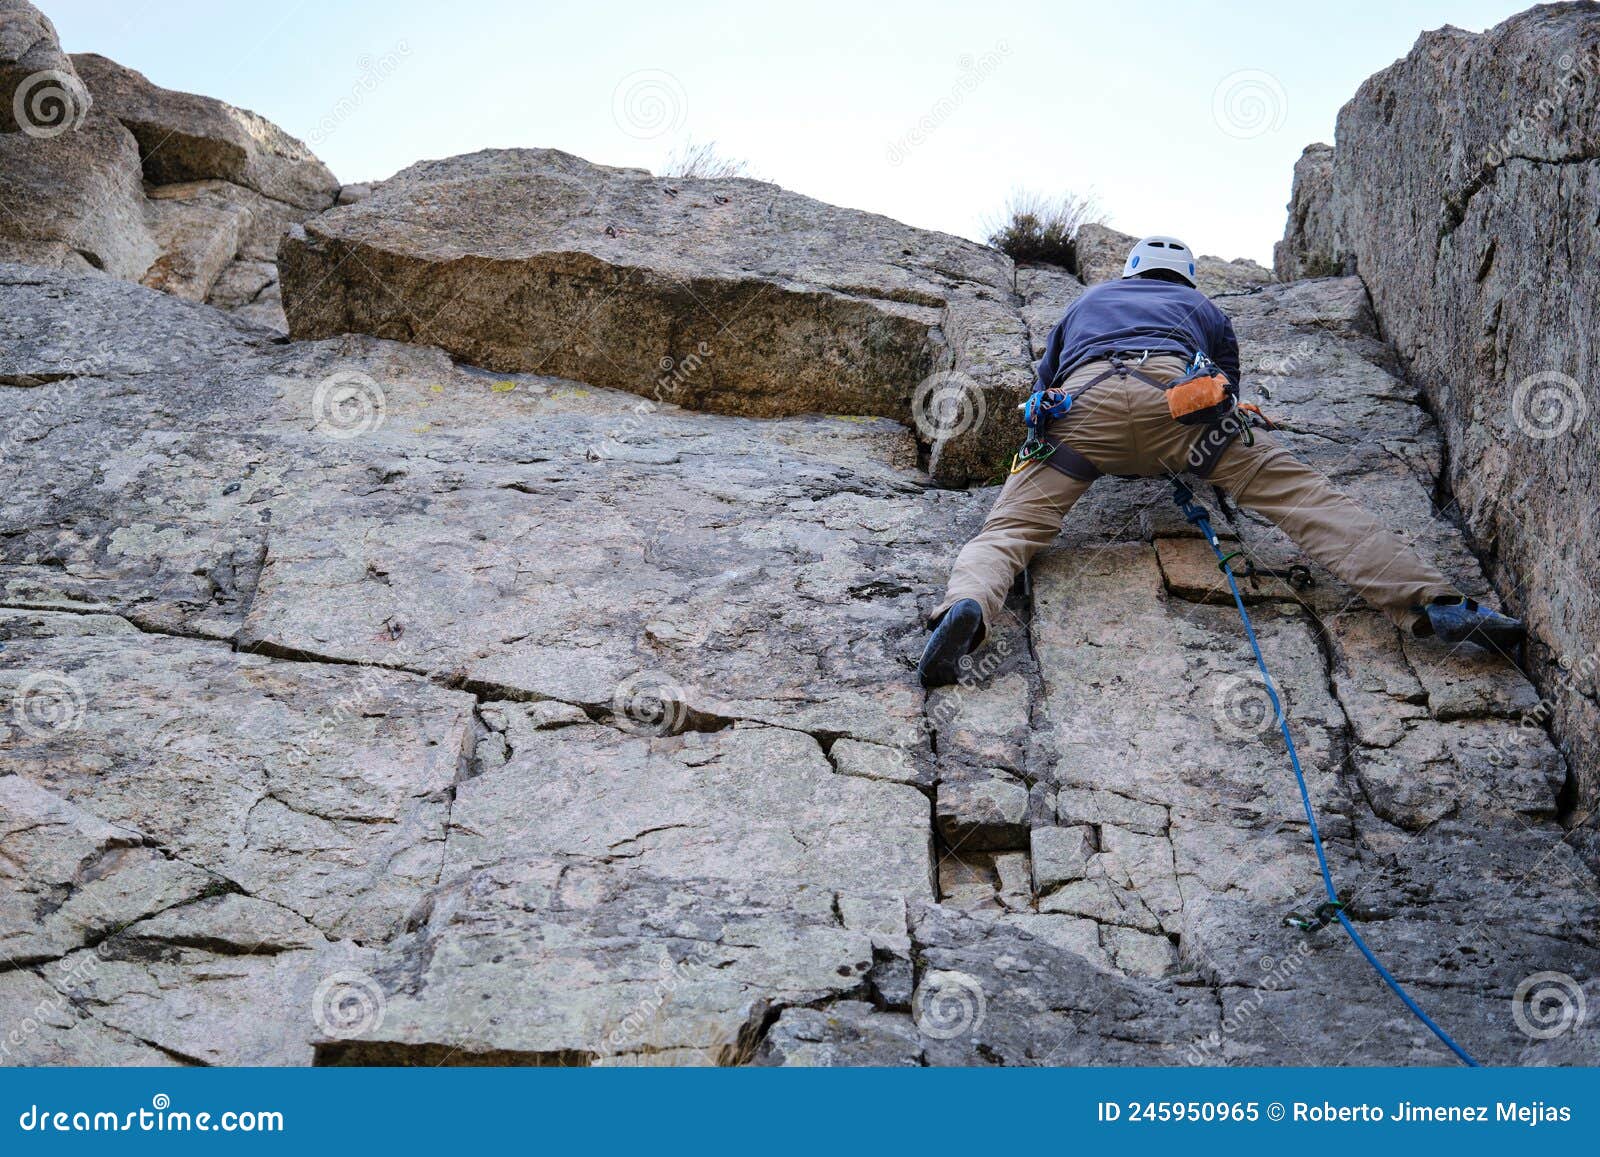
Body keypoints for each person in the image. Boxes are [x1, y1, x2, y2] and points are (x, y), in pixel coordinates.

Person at [919, 235, 1525, 687]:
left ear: (1132, 271)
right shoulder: (1204, 309)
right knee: (1305, 500)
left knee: (1008, 530)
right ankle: (1434, 602)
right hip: (1181, 407)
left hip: (1082, 414)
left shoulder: (1088, 301)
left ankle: (968, 608)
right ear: (1185, 277)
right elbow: (1225, 387)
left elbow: (1046, 378)